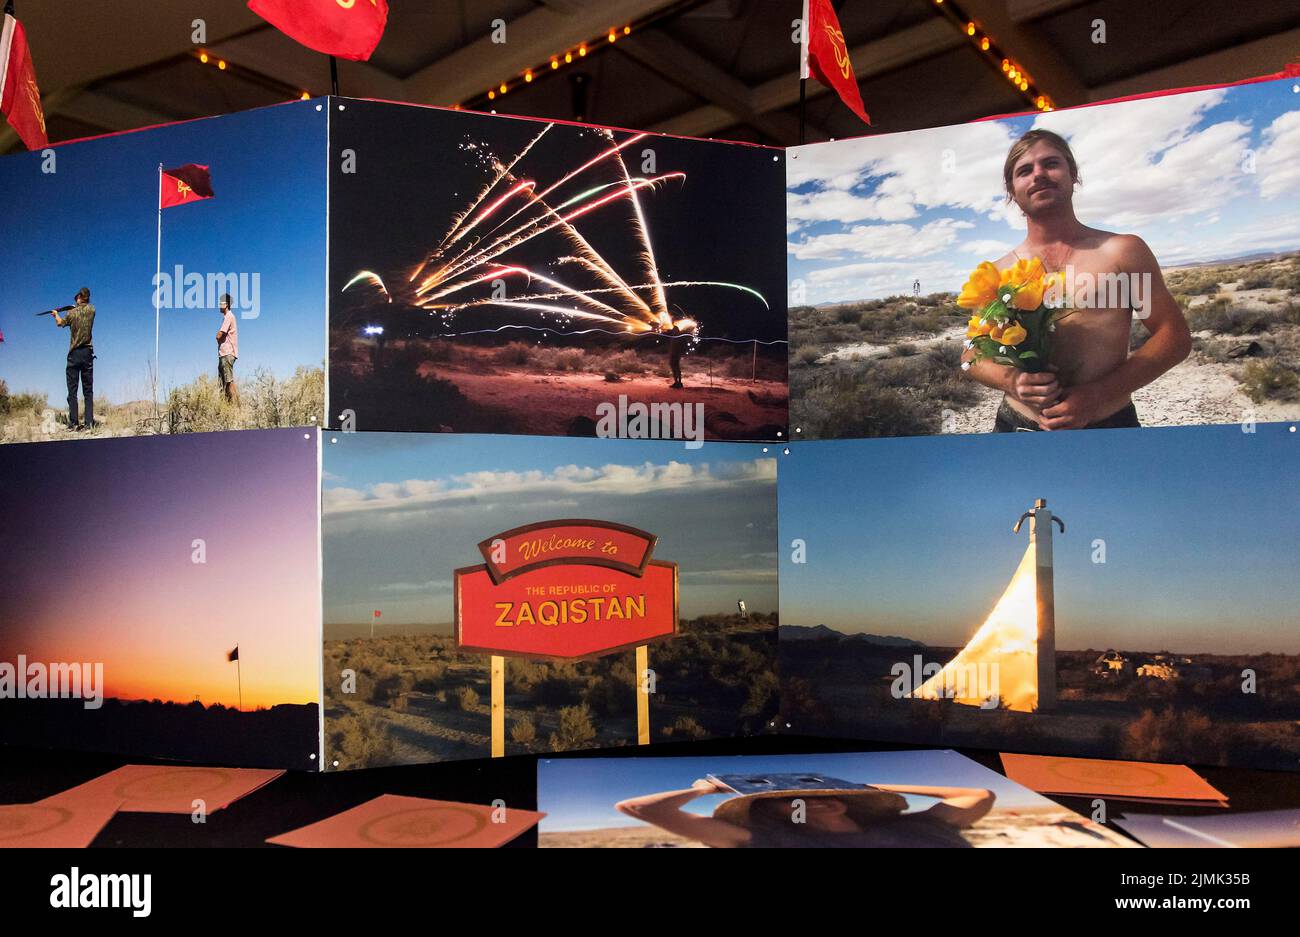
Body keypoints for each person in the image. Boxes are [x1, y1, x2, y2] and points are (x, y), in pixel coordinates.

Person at [962, 129, 1191, 431]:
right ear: (1012, 192)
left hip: (1108, 425)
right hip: (1016, 427)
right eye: (1024, 171)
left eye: (1051, 164)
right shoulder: (996, 273)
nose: (1038, 175)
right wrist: (1013, 381)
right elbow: (970, 354)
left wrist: (1096, 396)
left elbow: (1173, 336)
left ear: (1073, 176)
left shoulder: (1122, 251)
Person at [615, 778, 995, 848]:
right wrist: (708, 788)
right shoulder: (774, 841)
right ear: (782, 817)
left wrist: (877, 787)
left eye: (820, 794)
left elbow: (976, 793)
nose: (812, 801)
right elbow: (637, 808)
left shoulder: (920, 826)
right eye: (795, 801)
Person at [50, 288, 95, 431]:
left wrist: (56, 314)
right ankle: (89, 424)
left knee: (72, 390)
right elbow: (85, 307)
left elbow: (60, 323)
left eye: (77, 297)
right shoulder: (92, 310)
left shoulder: (71, 313)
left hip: (74, 354)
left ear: (80, 298)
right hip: (87, 353)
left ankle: (74, 423)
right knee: (88, 391)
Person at [216, 293, 239, 404]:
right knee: (224, 382)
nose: (219, 305)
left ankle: (236, 407)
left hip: (227, 353)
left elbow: (220, 334)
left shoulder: (229, 316)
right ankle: (228, 406)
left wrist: (217, 337)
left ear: (226, 304)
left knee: (228, 381)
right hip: (224, 354)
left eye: (221, 303)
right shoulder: (227, 317)